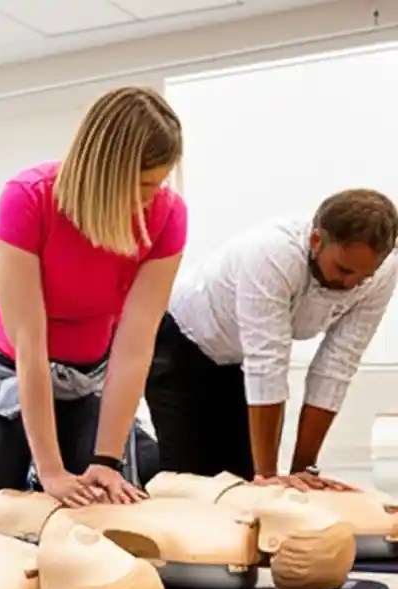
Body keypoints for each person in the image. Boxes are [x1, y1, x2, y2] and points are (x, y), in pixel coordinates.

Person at [0, 86, 188, 529]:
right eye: (144, 185)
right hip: (1, 365)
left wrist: (107, 459)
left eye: (161, 183)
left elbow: (134, 346)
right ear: (107, 173)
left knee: (103, 504)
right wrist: (50, 471)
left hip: (85, 374)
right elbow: (29, 343)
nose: (154, 197)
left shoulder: (167, 215)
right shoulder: (29, 197)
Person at [146, 190, 398, 490]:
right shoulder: (272, 254)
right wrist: (268, 479)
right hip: (183, 343)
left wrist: (304, 472)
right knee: (190, 484)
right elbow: (267, 365)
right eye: (343, 270)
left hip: (235, 360)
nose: (351, 284)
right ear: (316, 241)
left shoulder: (383, 270)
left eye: (363, 277)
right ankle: (136, 452)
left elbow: (337, 366)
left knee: (239, 483)